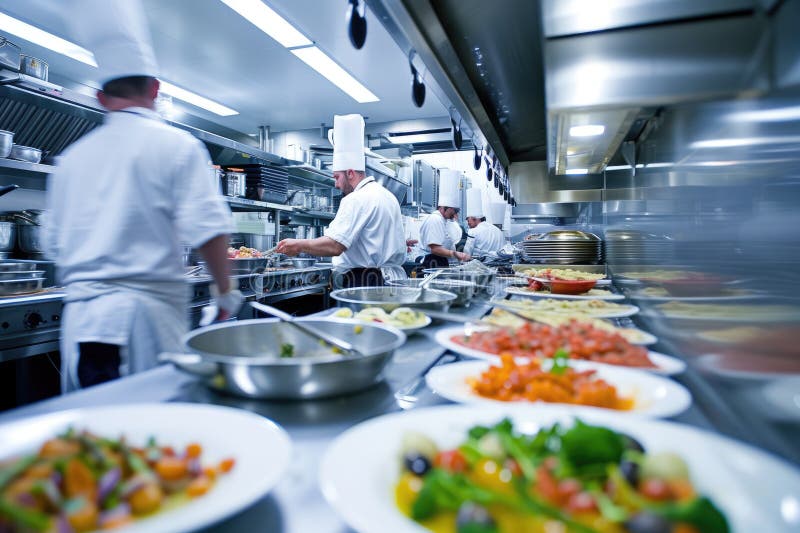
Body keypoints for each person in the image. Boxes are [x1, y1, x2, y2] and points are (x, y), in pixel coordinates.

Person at [44, 0, 241, 392]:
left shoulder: (69, 161)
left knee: (90, 440)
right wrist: (225, 293)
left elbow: (52, 245)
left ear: (101, 98)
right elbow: (209, 230)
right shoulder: (177, 146)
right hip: (142, 325)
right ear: (155, 89)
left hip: (81, 324)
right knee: (143, 431)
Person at [276, 114, 406, 288]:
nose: (336, 184)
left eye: (337, 177)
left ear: (350, 173)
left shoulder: (356, 198)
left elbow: (335, 245)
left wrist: (298, 244)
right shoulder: (388, 196)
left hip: (366, 281)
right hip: (392, 280)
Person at [463, 188, 505, 258]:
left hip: (482, 266)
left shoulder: (473, 231)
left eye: (468, 219)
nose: (467, 222)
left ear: (475, 218)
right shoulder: (497, 230)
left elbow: (467, 253)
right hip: (500, 265)